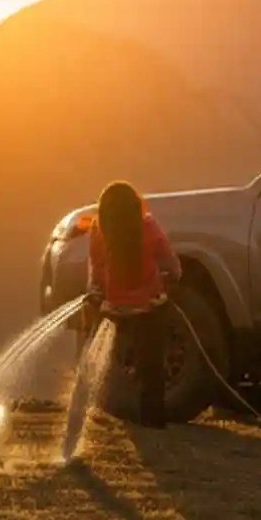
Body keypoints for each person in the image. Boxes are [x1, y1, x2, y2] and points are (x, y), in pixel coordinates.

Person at [85, 181, 182, 428]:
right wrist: (171, 278)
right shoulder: (148, 227)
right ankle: (152, 421)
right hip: (149, 308)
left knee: (114, 366)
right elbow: (172, 266)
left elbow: (95, 273)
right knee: (152, 369)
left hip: (114, 311)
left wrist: (97, 295)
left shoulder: (98, 231)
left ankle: (112, 413)